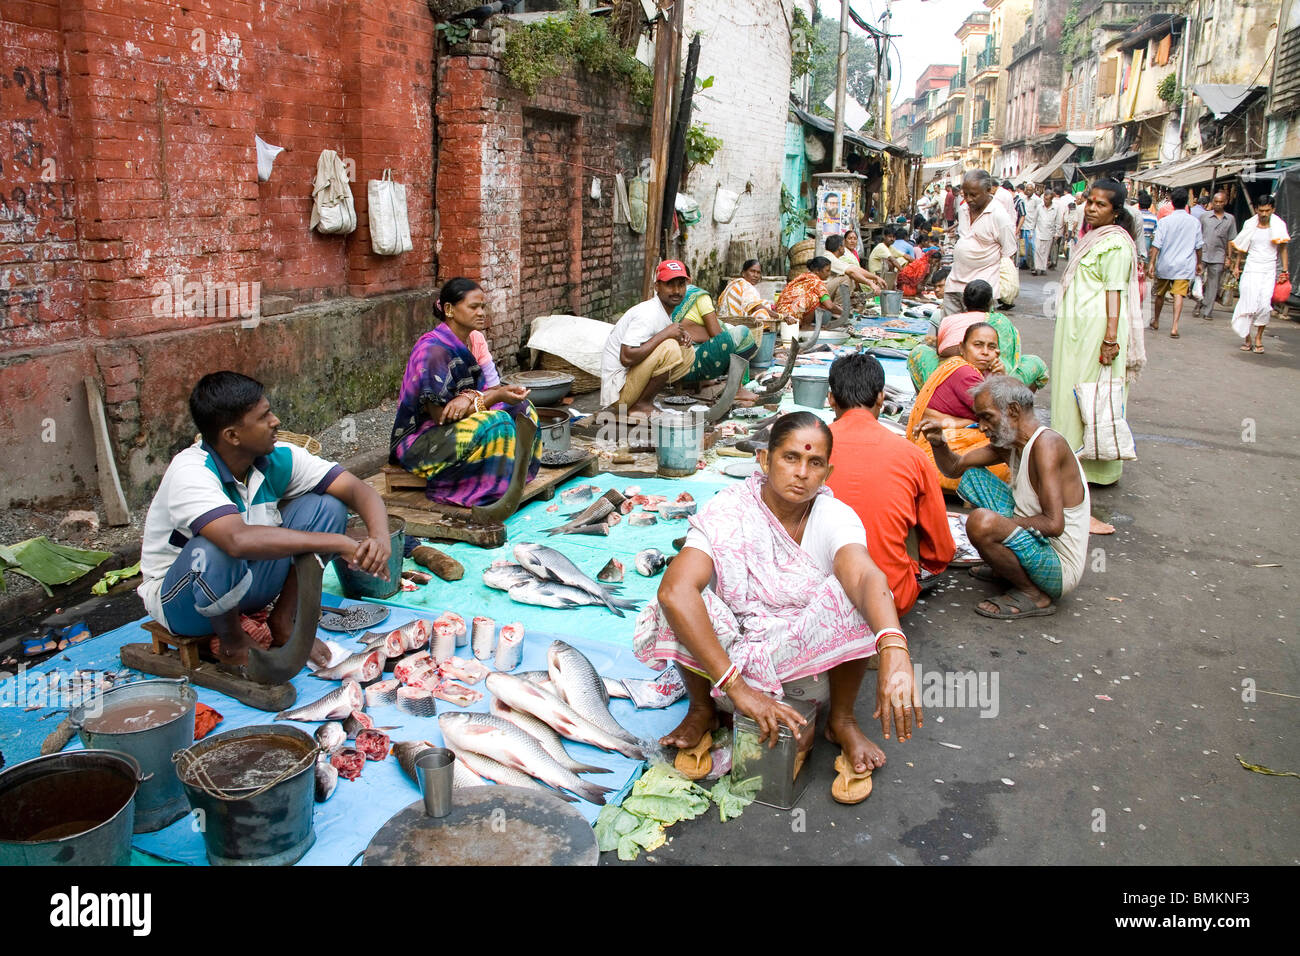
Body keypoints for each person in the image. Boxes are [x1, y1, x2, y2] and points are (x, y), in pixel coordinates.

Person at [635, 412, 921, 802]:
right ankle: (702, 708)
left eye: (814, 463)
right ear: (764, 461)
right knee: (674, 598)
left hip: (804, 667)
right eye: (790, 458)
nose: (801, 472)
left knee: (853, 596)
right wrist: (738, 688)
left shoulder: (833, 516)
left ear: (827, 473)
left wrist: (894, 648)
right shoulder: (729, 510)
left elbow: (866, 577)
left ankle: (841, 719)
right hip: (726, 669)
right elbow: (674, 591)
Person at [139, 372, 392, 666]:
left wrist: (380, 538)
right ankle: (233, 643)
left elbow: (356, 489)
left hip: (247, 584)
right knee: (214, 547)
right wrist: (339, 542)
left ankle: (284, 621)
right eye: (264, 416)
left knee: (327, 507)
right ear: (232, 435)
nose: (276, 421)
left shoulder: (276, 458)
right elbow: (237, 540)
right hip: (187, 603)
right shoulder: (191, 472)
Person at [917, 376, 1090, 619]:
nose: (981, 426)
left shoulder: (1047, 445)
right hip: (1036, 543)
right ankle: (1006, 565)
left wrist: (999, 529)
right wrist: (938, 443)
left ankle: (1032, 593)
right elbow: (956, 467)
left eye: (987, 416)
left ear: (1013, 411)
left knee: (981, 523)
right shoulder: (1011, 443)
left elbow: (1053, 524)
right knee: (974, 477)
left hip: (1060, 567)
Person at [826, 354, 955, 617]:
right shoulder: (912, 454)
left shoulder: (807, 449)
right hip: (889, 600)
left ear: (830, 399)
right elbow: (941, 551)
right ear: (881, 397)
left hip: (813, 601)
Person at [392, 279, 539, 506]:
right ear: (449, 309)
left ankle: (513, 479)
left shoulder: (471, 341)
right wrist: (494, 396)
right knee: (497, 422)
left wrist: (480, 395)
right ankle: (480, 491)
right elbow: (442, 416)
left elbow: (478, 391)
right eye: (473, 307)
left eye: (483, 307)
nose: (481, 313)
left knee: (523, 409)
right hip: (423, 441)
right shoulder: (432, 351)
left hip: (459, 426)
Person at [1050, 177, 1145, 488]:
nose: (1091, 208)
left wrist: (1110, 339)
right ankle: (1068, 462)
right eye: (1089, 201)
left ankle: (1093, 469)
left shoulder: (1116, 244)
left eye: (1100, 204)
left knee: (1093, 396)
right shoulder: (1093, 237)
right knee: (1070, 393)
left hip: (1097, 332)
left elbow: (1115, 293)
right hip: (1076, 330)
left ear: (1115, 211)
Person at [906, 320, 1011, 492]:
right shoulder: (965, 372)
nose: (985, 352)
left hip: (942, 438)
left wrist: (1000, 376)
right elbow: (999, 415)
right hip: (935, 453)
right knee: (1008, 448)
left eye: (991, 347)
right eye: (978, 345)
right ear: (962, 348)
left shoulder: (978, 370)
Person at [908, 280, 1048, 392]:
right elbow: (1009, 359)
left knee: (919, 352)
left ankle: (926, 399)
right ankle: (1017, 409)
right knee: (1035, 363)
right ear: (990, 302)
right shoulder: (1001, 322)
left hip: (951, 378)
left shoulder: (947, 320)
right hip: (984, 381)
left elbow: (940, 352)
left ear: (964, 301)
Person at [600, 260, 696, 419]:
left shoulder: (662, 311)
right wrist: (666, 334)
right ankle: (641, 404)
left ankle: (645, 400)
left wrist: (676, 335)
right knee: (670, 347)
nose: (676, 291)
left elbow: (653, 343)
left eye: (681, 284)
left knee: (686, 350)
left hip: (629, 383)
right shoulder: (647, 313)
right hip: (618, 394)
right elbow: (626, 357)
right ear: (657, 287)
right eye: (670, 285)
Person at [670, 272, 760, 394]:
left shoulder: (661, 302)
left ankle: (704, 382)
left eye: (680, 284)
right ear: (689, 281)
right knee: (742, 332)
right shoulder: (699, 296)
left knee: (725, 331)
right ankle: (737, 389)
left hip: (671, 368)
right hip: (692, 365)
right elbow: (717, 335)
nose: (677, 290)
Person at [946, 169, 1018, 316]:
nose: (968, 199)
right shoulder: (964, 208)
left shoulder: (1000, 216)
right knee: (950, 330)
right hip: (954, 283)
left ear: (988, 190)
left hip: (980, 291)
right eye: (965, 194)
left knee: (975, 332)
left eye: (973, 195)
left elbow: (1008, 253)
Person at [1229, 193, 1291, 354]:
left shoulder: (1279, 225)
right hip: (1251, 268)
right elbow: (1243, 246)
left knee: (1264, 305)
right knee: (1248, 301)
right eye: (1261, 211)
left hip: (1268, 269)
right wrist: (1236, 266)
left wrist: (1285, 270)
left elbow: (1283, 248)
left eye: (1267, 211)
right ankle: (1248, 338)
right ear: (1256, 209)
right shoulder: (1250, 224)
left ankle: (1259, 337)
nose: (1264, 214)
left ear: (1273, 210)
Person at [1149, 186, 1203, 338]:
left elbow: (1156, 244)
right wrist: (1199, 263)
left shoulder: (1165, 222)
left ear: (1172, 202)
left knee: (1160, 294)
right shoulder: (1194, 222)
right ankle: (1174, 326)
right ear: (1186, 202)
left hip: (1166, 263)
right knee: (1179, 294)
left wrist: (1151, 263)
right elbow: (1199, 246)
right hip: (1184, 265)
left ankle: (1156, 321)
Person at [1196, 191, 1237, 320]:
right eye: (1216, 202)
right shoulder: (1204, 217)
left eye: (1221, 202)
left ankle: (1207, 311)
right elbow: (1197, 235)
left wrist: (1229, 257)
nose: (1218, 204)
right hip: (1202, 253)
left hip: (1219, 255)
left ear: (1225, 202)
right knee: (1197, 282)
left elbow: (1231, 240)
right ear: (1212, 202)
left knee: (1213, 285)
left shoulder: (1230, 219)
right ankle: (1199, 303)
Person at [774, 256, 844, 330]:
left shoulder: (804, 276)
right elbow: (829, 306)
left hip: (780, 313)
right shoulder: (816, 282)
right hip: (789, 316)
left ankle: (802, 325)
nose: (829, 273)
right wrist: (844, 313)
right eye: (827, 270)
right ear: (817, 270)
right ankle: (805, 327)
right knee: (814, 298)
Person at [718, 259, 776, 323]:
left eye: (758, 272)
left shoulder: (736, 283)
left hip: (723, 322)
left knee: (764, 303)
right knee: (762, 313)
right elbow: (756, 307)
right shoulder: (745, 285)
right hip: (733, 323)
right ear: (743, 273)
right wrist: (778, 316)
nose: (755, 275)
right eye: (752, 271)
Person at [1031, 190, 1061, 276]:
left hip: (1049, 233)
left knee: (1045, 251)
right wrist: (1032, 231)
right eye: (1044, 198)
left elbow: (1058, 221)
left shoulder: (1055, 208)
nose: (1045, 201)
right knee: (1037, 250)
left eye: (1047, 199)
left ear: (1051, 199)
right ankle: (1037, 267)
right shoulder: (1039, 207)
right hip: (1039, 231)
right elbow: (1034, 219)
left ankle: (1043, 268)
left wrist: (1057, 233)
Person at [1020, 183, 1040, 269]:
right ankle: (1024, 262)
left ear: (1034, 190)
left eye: (1030, 190)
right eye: (1027, 189)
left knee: (1032, 246)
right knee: (1023, 245)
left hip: (1032, 226)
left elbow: (1039, 213)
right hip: (1024, 225)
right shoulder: (1023, 199)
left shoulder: (1037, 200)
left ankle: (1033, 264)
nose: (1028, 191)